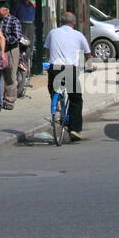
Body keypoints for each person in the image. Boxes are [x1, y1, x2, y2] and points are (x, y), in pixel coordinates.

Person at [44, 11, 92, 141]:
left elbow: (47, 50)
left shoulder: (52, 33)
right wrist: (89, 66)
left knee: (53, 88)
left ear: (61, 22)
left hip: (54, 68)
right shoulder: (78, 35)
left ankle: (56, 101)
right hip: (70, 69)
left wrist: (50, 61)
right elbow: (88, 53)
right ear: (74, 23)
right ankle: (74, 129)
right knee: (76, 99)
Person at [0, 2, 24, 111]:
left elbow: (16, 37)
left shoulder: (14, 21)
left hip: (10, 49)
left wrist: (3, 40)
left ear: (6, 10)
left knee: (10, 75)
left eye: (0, 10)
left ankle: (9, 100)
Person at [12, 0, 37, 88]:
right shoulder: (18, 4)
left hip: (30, 25)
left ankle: (27, 76)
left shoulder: (31, 6)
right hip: (21, 25)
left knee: (29, 49)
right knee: (20, 46)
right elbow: (13, 17)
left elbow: (33, 18)